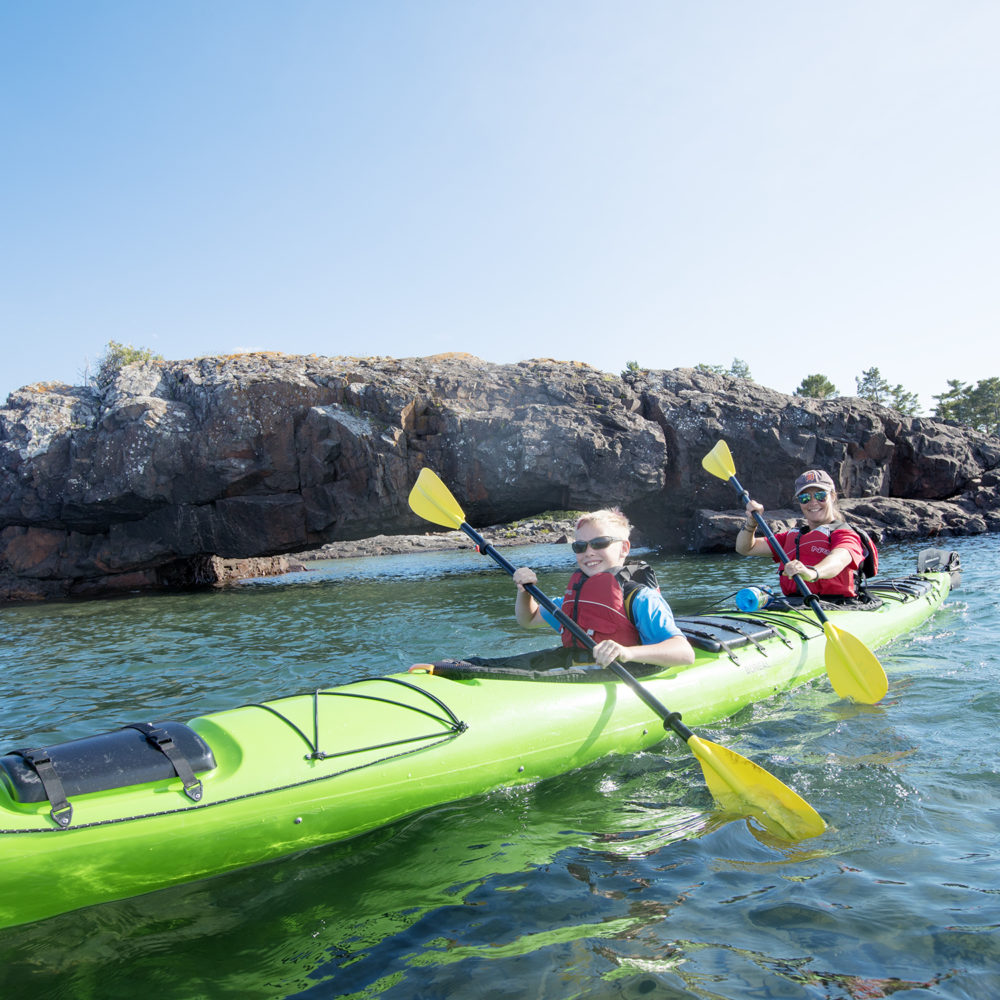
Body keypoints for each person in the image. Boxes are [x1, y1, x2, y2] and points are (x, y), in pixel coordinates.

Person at [512, 507, 695, 669]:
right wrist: (525, 592)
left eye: (600, 543)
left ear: (624, 548)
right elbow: (529, 619)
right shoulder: (574, 598)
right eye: (580, 546)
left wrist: (627, 652)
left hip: (628, 673)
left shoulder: (640, 599)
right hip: (578, 671)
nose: (589, 551)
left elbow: (685, 653)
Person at [735, 469, 866, 600]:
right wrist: (752, 522)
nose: (813, 502)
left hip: (836, 605)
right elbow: (745, 548)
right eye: (805, 498)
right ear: (799, 502)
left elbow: (837, 560)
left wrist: (811, 573)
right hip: (795, 605)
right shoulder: (792, 537)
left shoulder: (846, 535)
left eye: (820, 495)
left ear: (832, 496)